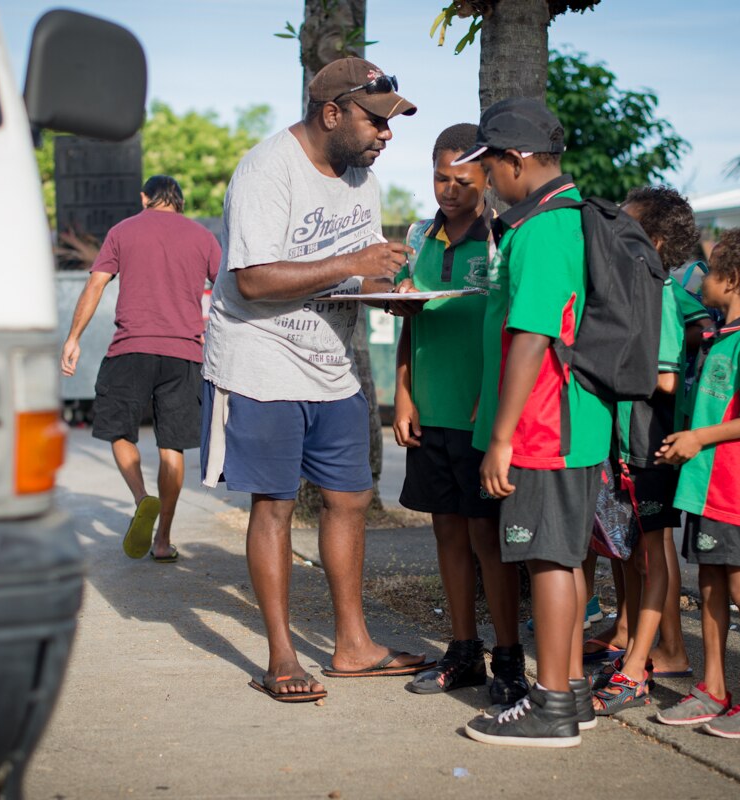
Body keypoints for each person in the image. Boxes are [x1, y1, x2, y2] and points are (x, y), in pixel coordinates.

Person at [199, 57, 431, 703]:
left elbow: (359, 276)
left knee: (350, 498)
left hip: (332, 364)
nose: (386, 136)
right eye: (375, 121)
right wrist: (354, 261)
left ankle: (353, 645)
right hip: (261, 358)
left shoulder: (362, 180)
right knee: (273, 506)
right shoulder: (266, 170)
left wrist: (390, 291)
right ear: (332, 112)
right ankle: (279, 656)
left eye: (390, 125)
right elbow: (252, 280)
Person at [458, 97, 612, 748]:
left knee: (546, 560)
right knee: (565, 558)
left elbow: (531, 336)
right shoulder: (570, 217)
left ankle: (549, 704)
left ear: (515, 160)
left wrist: (501, 438)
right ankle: (570, 689)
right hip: (574, 420)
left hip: (546, 426)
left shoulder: (544, 228)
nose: (485, 179)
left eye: (488, 165)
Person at [392, 123, 526, 705]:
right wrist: (402, 391)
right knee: (446, 529)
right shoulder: (421, 236)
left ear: (487, 177)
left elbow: (514, 329)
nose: (449, 190)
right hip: (429, 410)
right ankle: (463, 651)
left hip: (480, 415)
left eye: (462, 180)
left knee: (487, 537)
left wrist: (494, 398)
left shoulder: (502, 239)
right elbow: (409, 315)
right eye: (440, 178)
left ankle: (510, 658)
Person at [654, 227, 740, 738]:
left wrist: (700, 437)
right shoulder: (722, 339)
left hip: (733, 488)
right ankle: (713, 688)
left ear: (730, 281)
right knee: (709, 584)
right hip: (703, 487)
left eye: (710, 271)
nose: (702, 279)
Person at [61, 175, 220, 563]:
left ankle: (140, 498)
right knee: (173, 445)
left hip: (131, 349)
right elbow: (227, 294)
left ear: (145, 197)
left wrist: (73, 338)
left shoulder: (123, 231)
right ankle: (163, 539)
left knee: (117, 430)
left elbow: (96, 285)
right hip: (184, 353)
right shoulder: (203, 238)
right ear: (179, 200)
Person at [587, 186, 699, 715]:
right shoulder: (629, 290)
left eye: (624, 227)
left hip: (649, 443)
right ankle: (638, 648)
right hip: (624, 442)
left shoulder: (661, 294)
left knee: (653, 554)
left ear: (651, 242)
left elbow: (667, 379)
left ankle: (652, 660)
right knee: (632, 551)